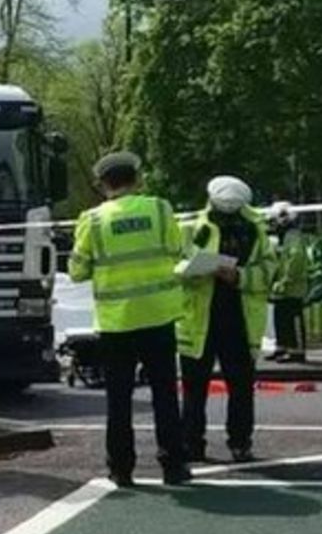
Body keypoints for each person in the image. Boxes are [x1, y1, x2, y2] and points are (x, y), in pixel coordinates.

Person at [69, 151, 191, 487]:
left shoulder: (92, 221)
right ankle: (174, 466)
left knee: (119, 399)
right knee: (165, 394)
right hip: (158, 316)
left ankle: (121, 469)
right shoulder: (159, 209)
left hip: (117, 323)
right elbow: (176, 250)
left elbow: (77, 270)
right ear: (136, 180)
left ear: (102, 185)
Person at [178, 176, 275, 463]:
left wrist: (240, 276)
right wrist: (191, 271)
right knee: (194, 387)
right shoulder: (188, 226)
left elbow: (269, 270)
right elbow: (171, 265)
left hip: (239, 318)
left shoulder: (256, 229)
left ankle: (240, 442)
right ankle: (192, 443)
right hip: (199, 318)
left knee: (241, 386)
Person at [266, 202, 308, 363]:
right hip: (280, 287)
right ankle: (281, 346)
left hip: (293, 287)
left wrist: (285, 280)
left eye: (274, 220)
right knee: (280, 317)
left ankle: (297, 350)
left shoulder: (294, 237)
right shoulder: (283, 238)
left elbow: (295, 261)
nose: (273, 224)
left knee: (294, 317)